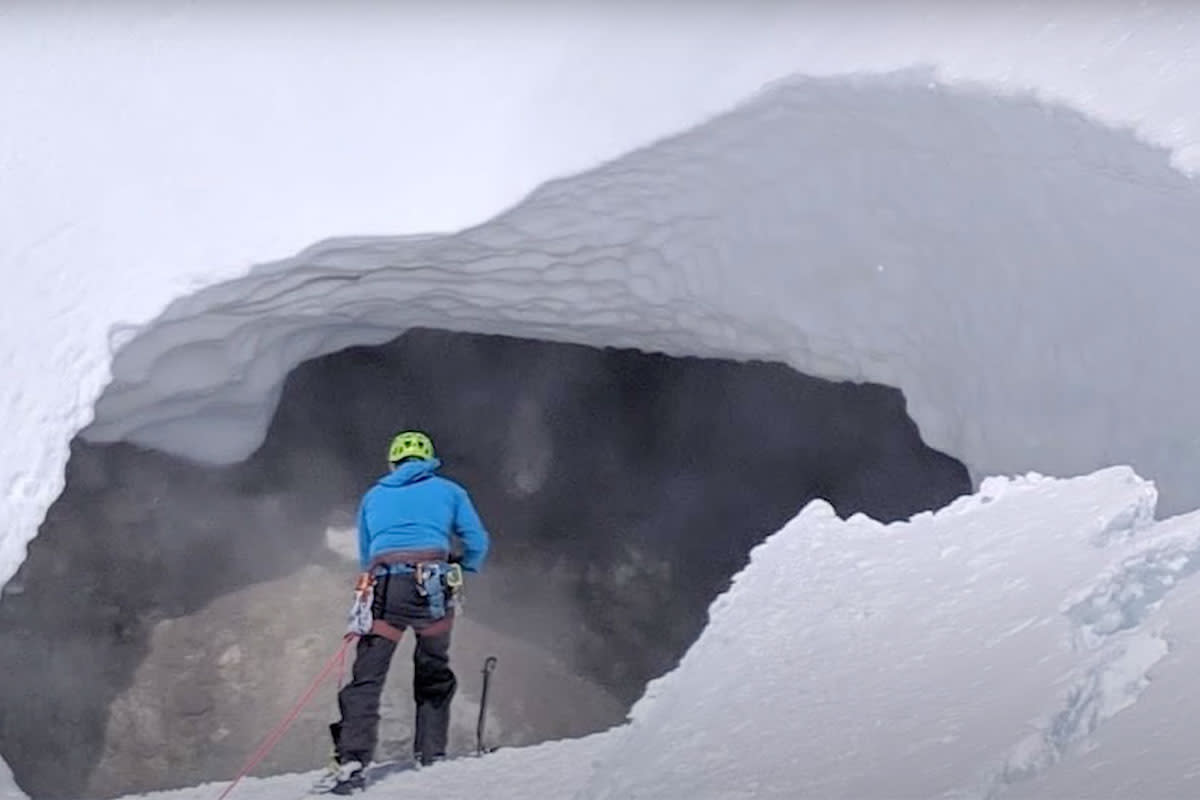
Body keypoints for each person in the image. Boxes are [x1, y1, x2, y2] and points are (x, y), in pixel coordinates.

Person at [316, 430, 489, 794]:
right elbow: (477, 540)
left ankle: (352, 762)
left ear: (393, 462)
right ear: (428, 459)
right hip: (433, 589)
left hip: (384, 590)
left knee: (367, 678)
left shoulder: (374, 495)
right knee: (433, 671)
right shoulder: (450, 491)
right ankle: (431, 756)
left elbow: (367, 555)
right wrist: (465, 565)